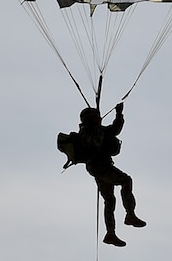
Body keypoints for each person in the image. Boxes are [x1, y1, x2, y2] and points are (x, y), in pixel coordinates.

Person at [61, 102, 146, 247]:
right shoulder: (86, 133)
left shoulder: (97, 130)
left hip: (100, 166)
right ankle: (130, 214)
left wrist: (119, 114)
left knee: (110, 200)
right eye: (96, 117)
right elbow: (95, 143)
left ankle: (110, 233)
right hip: (98, 166)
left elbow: (115, 129)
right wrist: (98, 128)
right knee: (125, 180)